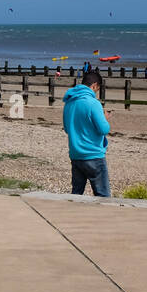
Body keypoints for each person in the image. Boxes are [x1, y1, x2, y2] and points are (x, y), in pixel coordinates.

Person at [63, 69, 112, 197]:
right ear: (94, 85)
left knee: (76, 194)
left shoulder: (69, 102)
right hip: (93, 155)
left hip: (76, 154)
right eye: (97, 89)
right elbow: (104, 129)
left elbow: (67, 128)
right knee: (103, 196)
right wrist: (105, 118)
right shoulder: (93, 103)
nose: (96, 92)